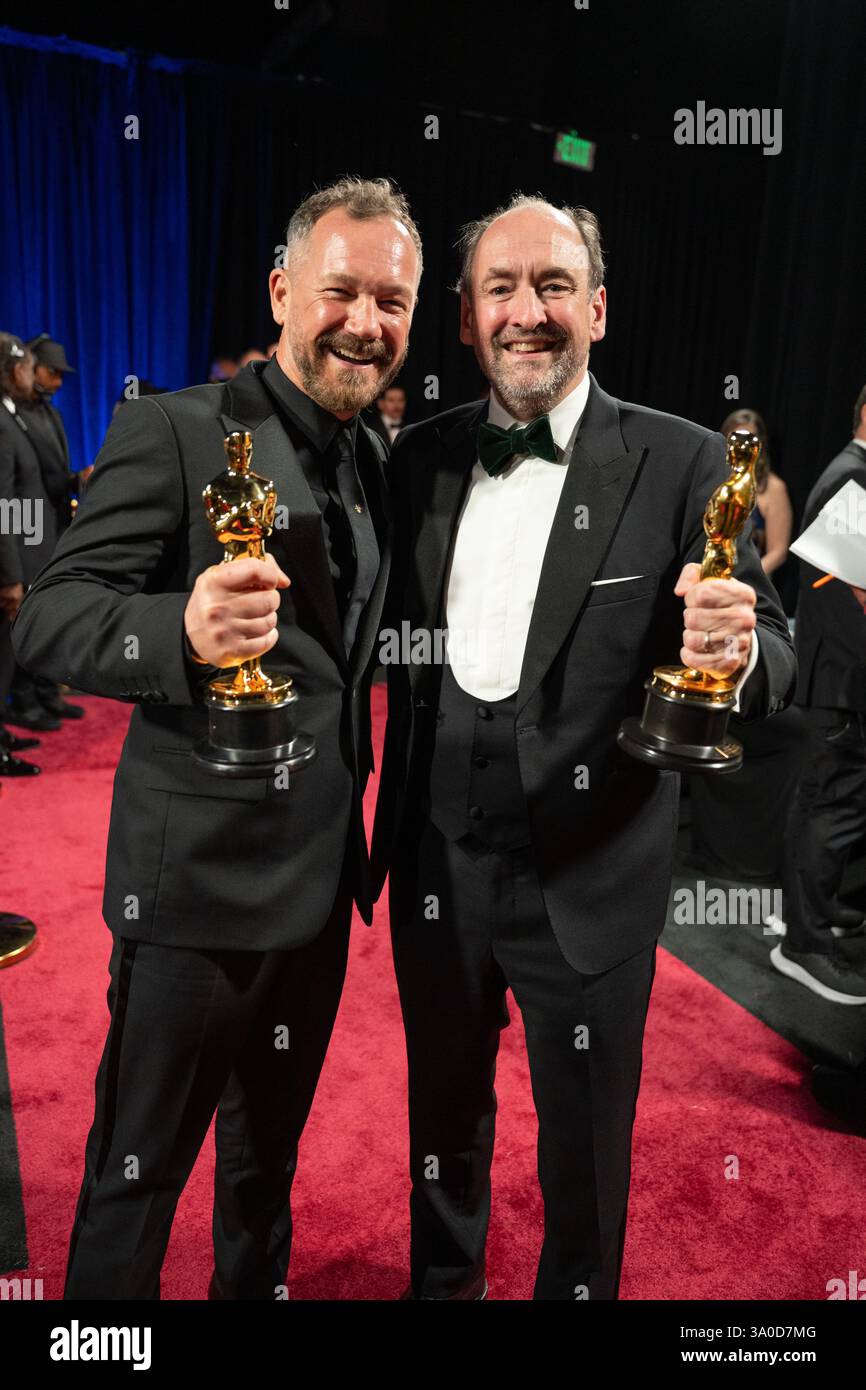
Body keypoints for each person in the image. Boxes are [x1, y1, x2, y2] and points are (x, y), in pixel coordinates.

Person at [372, 193, 796, 1301]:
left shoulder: (685, 460)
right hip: (433, 869)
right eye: (498, 288)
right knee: (441, 1129)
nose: (527, 311)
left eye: (553, 285)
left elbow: (780, 652)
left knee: (584, 1158)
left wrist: (737, 648)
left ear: (597, 308)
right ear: (462, 321)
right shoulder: (411, 459)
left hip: (590, 884)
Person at [12, 176, 422, 1299]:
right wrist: (179, 631)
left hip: (319, 890)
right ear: (286, 291)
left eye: (392, 300)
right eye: (341, 290)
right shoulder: (176, 429)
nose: (366, 320)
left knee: (264, 1168)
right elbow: (49, 614)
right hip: (191, 899)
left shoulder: (373, 451)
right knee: (136, 1179)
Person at [771, 383, 866, 1004]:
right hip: (841, 682)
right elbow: (860, 591)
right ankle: (803, 942)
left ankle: (811, 911)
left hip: (845, 679)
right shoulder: (847, 479)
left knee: (834, 805)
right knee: (832, 807)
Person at [0, 332, 55, 764]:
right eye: (24, 367)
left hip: (26, 545)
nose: (29, 374)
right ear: (10, 372)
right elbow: (4, 505)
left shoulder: (14, 413)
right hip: (10, 556)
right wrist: (10, 574)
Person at [721, 408, 792, 575]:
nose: (741, 446)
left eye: (748, 439)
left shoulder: (772, 487)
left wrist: (745, 577)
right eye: (735, 438)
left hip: (745, 581)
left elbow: (778, 552)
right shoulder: (712, 476)